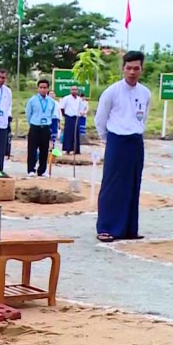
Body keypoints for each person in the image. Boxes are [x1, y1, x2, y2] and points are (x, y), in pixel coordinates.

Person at [94, 51, 151, 243]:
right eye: (129, 68)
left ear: (141, 69)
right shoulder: (112, 91)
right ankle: (106, 227)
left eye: (136, 68)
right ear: (123, 68)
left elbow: (144, 117)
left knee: (133, 184)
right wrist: (107, 139)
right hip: (116, 140)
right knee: (112, 185)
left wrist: (137, 131)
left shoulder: (145, 93)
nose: (132, 72)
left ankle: (128, 228)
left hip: (135, 141)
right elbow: (100, 119)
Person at [25, 79, 55, 177]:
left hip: (46, 127)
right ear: (38, 88)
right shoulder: (32, 100)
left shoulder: (51, 101)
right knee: (32, 149)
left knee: (44, 149)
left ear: (48, 89)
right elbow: (28, 114)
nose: (43, 90)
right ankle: (31, 170)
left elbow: (51, 114)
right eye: (41, 87)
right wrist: (33, 123)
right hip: (35, 126)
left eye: (45, 88)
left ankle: (42, 170)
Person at [60, 86, 83, 154]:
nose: (74, 91)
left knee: (76, 133)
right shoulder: (66, 98)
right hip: (69, 117)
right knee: (68, 133)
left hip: (76, 117)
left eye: (75, 90)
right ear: (70, 90)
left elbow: (81, 108)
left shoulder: (79, 99)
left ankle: (76, 150)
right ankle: (68, 149)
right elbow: (62, 108)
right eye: (73, 90)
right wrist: (65, 115)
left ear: (77, 91)